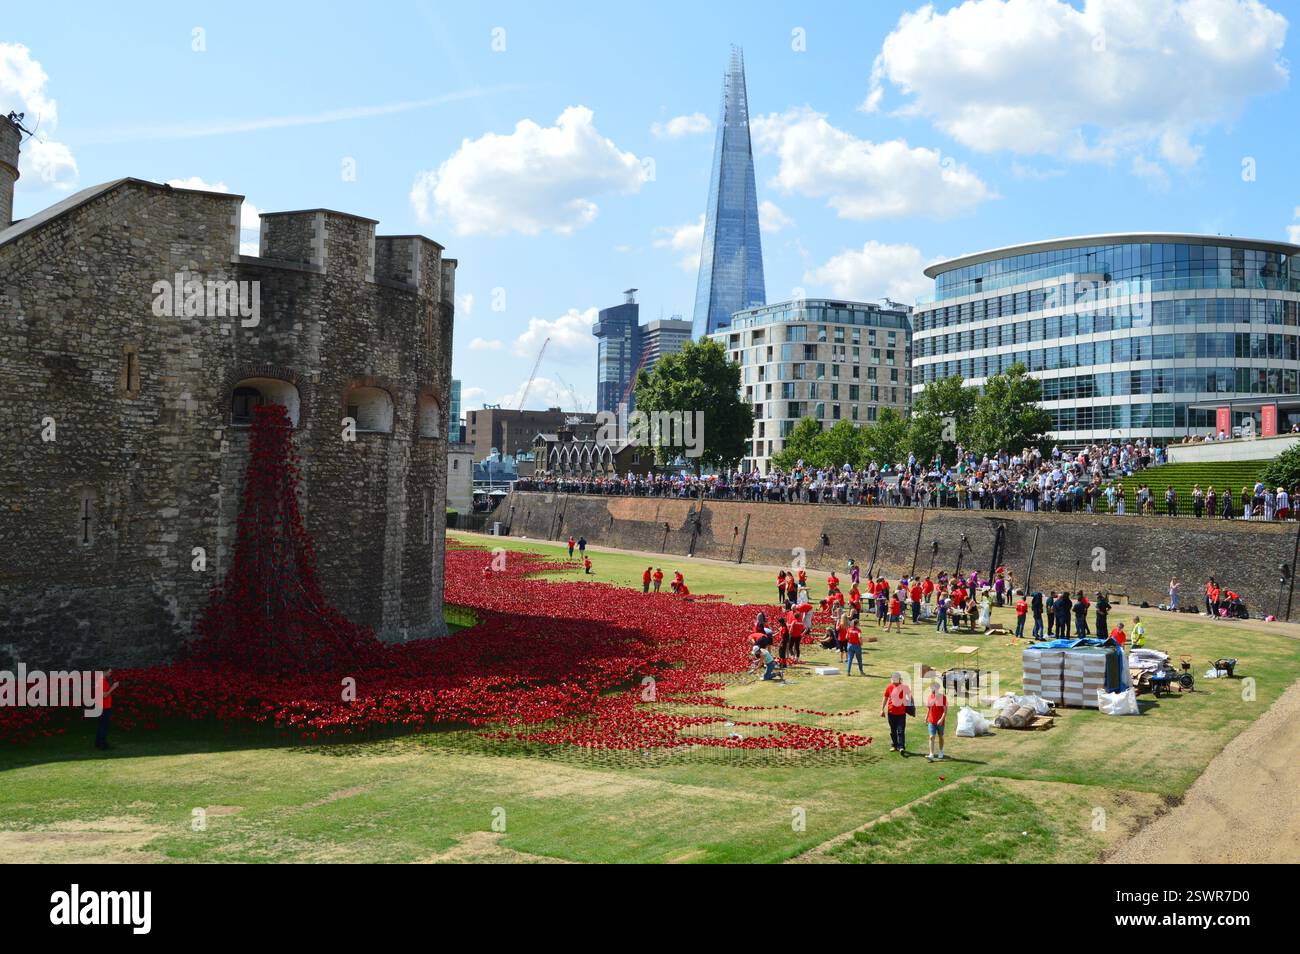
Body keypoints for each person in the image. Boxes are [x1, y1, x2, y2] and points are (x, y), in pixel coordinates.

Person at [880, 672, 912, 755]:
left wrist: (911, 705)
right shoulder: (889, 687)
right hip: (891, 712)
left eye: (895, 678)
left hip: (901, 713)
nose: (894, 680)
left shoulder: (904, 687)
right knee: (893, 730)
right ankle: (894, 745)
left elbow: (910, 696)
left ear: (899, 678)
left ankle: (901, 747)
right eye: (893, 678)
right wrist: (882, 709)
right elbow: (885, 698)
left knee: (901, 730)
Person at [925, 679, 948, 762]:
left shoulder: (943, 697)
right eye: (932, 688)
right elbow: (929, 708)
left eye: (934, 688)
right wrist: (926, 717)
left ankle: (941, 751)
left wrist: (941, 719)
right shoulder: (930, 697)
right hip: (932, 720)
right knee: (931, 736)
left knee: (941, 736)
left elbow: (945, 710)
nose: (932, 690)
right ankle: (931, 754)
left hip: (940, 721)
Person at [94, 671, 112, 751]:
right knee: (104, 726)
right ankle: (102, 744)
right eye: (109, 672)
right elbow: (104, 695)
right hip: (104, 707)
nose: (110, 673)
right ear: (104, 672)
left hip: (100, 706)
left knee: (101, 725)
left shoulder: (99, 681)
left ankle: (98, 743)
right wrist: (113, 687)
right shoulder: (103, 682)